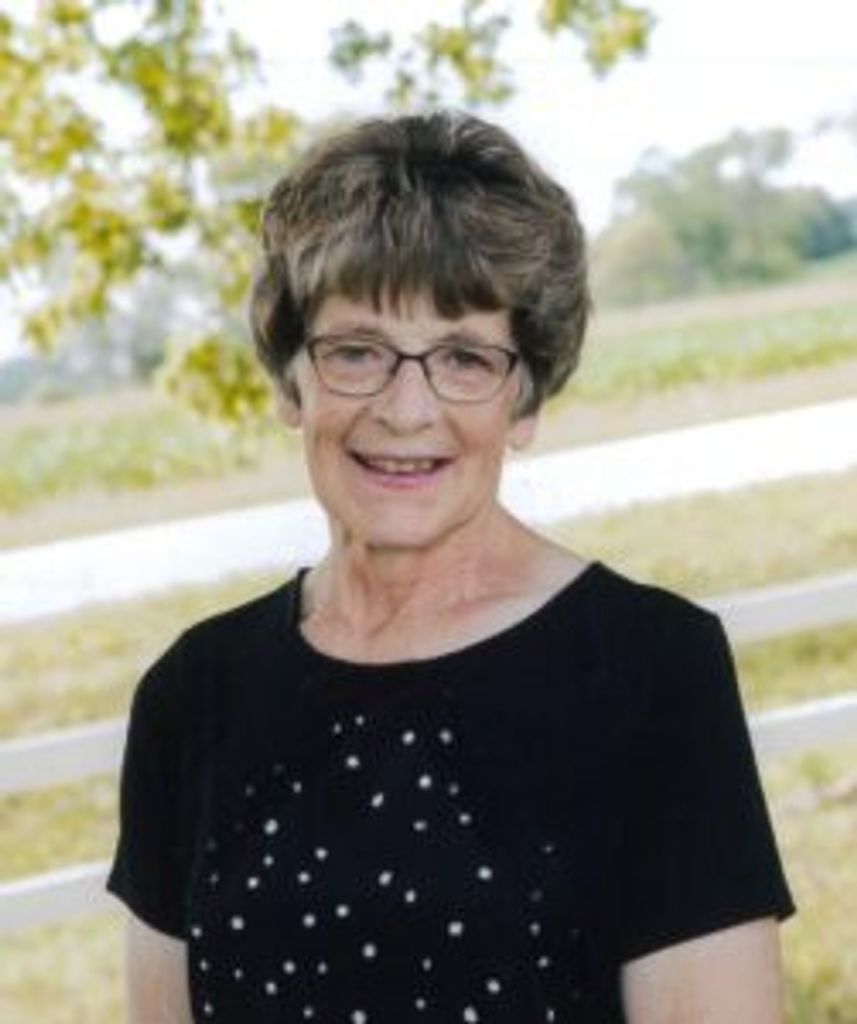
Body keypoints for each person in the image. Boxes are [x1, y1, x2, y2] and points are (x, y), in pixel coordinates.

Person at [105, 109, 795, 1023]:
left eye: (463, 357)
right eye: (357, 352)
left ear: (525, 399)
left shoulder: (650, 669)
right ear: (290, 381)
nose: (405, 409)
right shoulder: (192, 695)